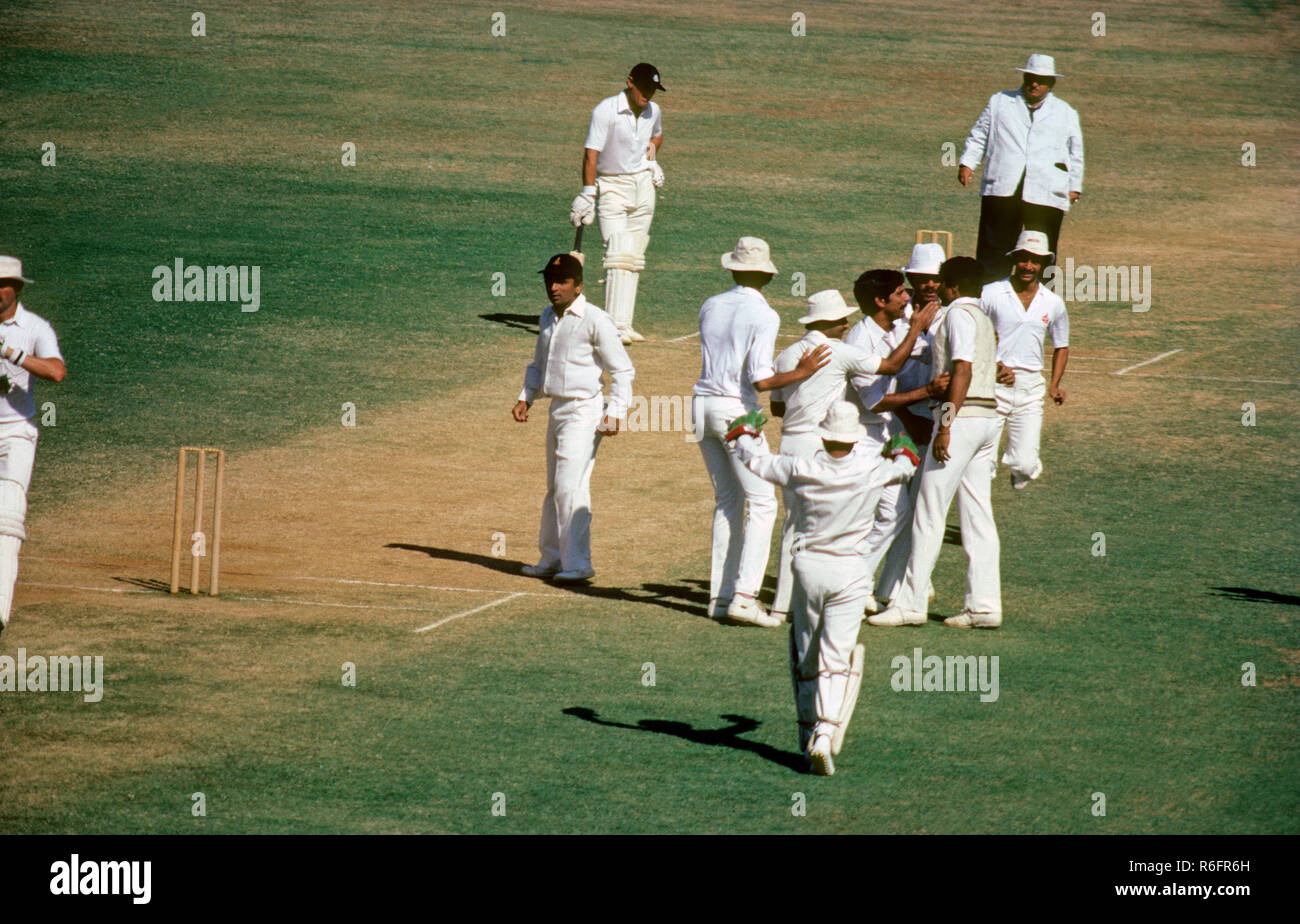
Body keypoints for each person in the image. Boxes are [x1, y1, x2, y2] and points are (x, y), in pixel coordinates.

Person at [727, 402, 921, 775]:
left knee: (807, 652)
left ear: (824, 435)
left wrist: (747, 435)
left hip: (808, 567)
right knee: (837, 656)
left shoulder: (803, 467)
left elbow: (757, 461)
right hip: (850, 570)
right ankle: (823, 733)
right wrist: (898, 448)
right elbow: (908, 463)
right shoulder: (871, 468)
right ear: (853, 440)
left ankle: (807, 732)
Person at [768, 288, 938, 625]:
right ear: (830, 322)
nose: (847, 325)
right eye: (842, 320)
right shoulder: (840, 351)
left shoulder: (787, 355)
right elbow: (890, 365)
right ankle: (827, 598)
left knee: (794, 527)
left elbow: (776, 406)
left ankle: (781, 607)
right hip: (819, 448)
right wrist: (916, 328)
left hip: (789, 444)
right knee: (828, 525)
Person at [692, 237, 831, 627]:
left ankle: (720, 598)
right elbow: (761, 381)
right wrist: (803, 373)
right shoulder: (765, 315)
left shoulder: (710, 304)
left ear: (733, 269)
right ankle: (744, 597)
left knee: (727, 501)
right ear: (765, 276)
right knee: (764, 503)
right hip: (735, 414)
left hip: (700, 408)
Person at [869, 256, 1004, 630]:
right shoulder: (983, 316)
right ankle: (984, 605)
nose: (937, 288)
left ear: (955, 286)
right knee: (977, 515)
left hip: (962, 421)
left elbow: (962, 368)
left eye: (942, 282)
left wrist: (945, 425)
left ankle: (910, 604)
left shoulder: (959, 315)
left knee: (928, 512)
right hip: (986, 421)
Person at [513, 254, 634, 583]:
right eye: (549, 280)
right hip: (557, 410)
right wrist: (527, 397)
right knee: (555, 487)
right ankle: (551, 558)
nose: (553, 287)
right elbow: (539, 363)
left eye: (562, 281)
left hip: (585, 410)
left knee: (571, 486)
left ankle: (579, 564)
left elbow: (622, 369)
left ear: (578, 285)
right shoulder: (547, 317)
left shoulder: (596, 319)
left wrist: (615, 413)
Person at [958, 54, 1084, 282]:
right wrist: (968, 162)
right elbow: (979, 134)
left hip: (1045, 191)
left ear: (1051, 83)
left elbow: (1076, 151)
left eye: (1041, 79)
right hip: (1003, 188)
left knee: (1042, 249)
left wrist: (1075, 185)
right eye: (1030, 77)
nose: (1034, 83)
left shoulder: (1065, 112)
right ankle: (988, 298)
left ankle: (1042, 303)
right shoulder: (999, 102)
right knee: (993, 247)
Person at [570, 63, 667, 344]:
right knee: (616, 253)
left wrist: (651, 158)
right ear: (630, 82)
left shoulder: (653, 111)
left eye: (654, 89)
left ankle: (624, 323)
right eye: (646, 88)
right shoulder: (606, 110)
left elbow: (657, 134)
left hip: (642, 185)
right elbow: (591, 154)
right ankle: (611, 327)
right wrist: (588, 193)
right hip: (611, 186)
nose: (649, 94)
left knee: (634, 255)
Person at [0, 256, 68, 640]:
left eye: (3, 284)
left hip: (15, 433)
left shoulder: (34, 328)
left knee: (6, 518)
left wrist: (12, 355)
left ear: (18, 288)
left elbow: (57, 372)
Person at [980, 230, 1069, 489]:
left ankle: (1025, 466)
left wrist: (1054, 385)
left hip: (1030, 388)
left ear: (1043, 264)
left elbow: (1062, 345)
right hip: (992, 385)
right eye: (1023, 258)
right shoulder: (990, 293)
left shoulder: (1053, 302)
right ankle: (974, 525)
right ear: (1015, 259)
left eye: (1035, 260)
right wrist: (993, 365)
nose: (1028, 266)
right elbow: (974, 334)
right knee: (982, 466)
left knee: (1025, 465)